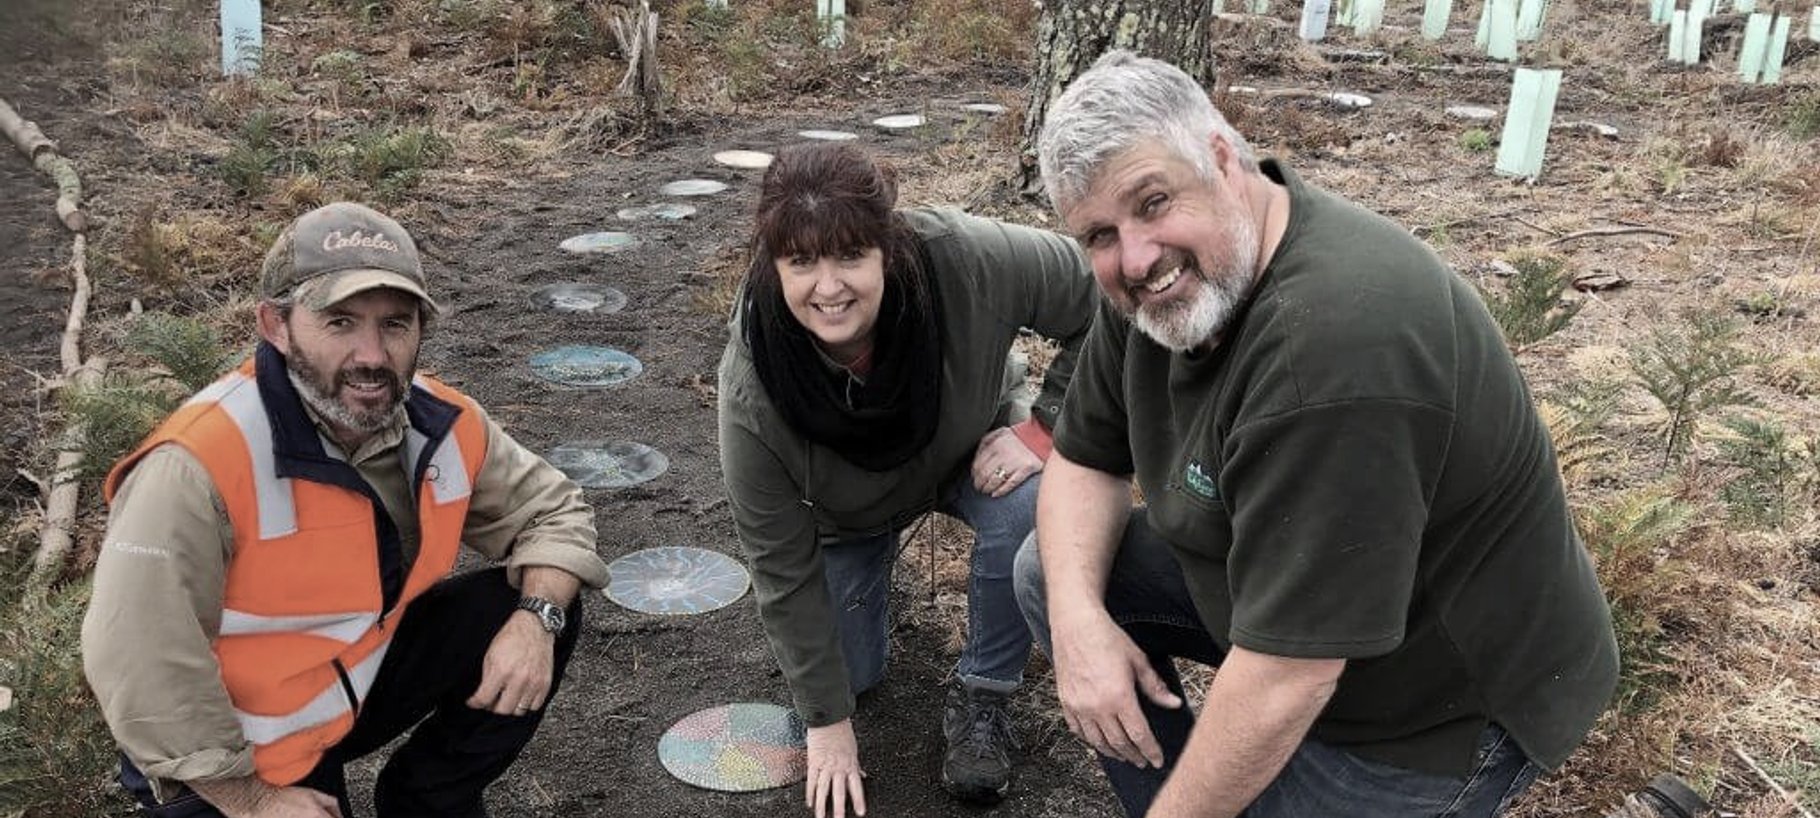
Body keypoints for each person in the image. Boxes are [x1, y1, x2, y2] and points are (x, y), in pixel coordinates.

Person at [1013, 50, 1620, 818]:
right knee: (1053, 573)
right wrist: (1077, 630)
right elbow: (1084, 460)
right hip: (1291, 604)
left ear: (1224, 160)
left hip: (1435, 699)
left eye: (1154, 201)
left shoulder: (1333, 350)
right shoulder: (1161, 284)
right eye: (1099, 233)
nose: (1134, 256)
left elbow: (1287, 677)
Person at [82, 202, 610, 818]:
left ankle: (428, 801)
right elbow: (139, 658)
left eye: (395, 323)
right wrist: (251, 800)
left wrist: (537, 618)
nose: (373, 355)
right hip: (235, 748)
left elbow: (554, 510)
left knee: (534, 604)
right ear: (276, 325)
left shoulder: (439, 423)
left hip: (349, 683)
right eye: (340, 322)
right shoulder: (198, 463)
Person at [717, 142, 1098, 815]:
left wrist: (1047, 427)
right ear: (772, 265)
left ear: (887, 250)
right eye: (801, 262)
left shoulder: (966, 258)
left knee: (1034, 506)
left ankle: (985, 693)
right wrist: (826, 722)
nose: (828, 288)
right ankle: (868, 585)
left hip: (970, 450)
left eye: (850, 256)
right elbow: (779, 565)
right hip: (849, 517)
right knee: (849, 680)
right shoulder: (753, 387)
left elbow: (1105, 295)